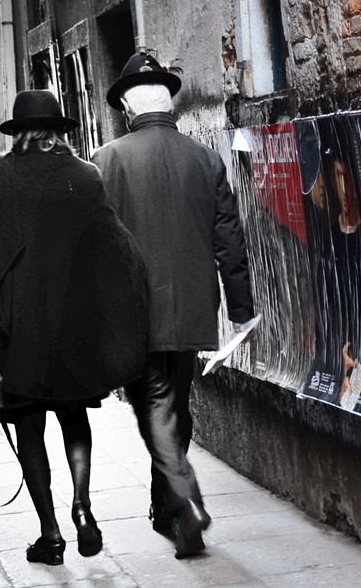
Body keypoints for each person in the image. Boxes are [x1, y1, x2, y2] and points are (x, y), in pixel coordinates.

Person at [0, 90, 148, 565]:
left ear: (19, 133)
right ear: (58, 131)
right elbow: (117, 252)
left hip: (17, 334)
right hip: (72, 327)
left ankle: (51, 534)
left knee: (30, 430)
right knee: (74, 418)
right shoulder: (85, 176)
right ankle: (82, 506)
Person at [94, 53, 256, 559]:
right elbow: (229, 240)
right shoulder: (205, 159)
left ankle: (186, 503)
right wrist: (241, 307)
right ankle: (167, 509)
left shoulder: (105, 162)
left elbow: (95, 249)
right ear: (170, 105)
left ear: (126, 108)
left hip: (137, 315)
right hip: (191, 311)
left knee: (156, 410)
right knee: (174, 406)